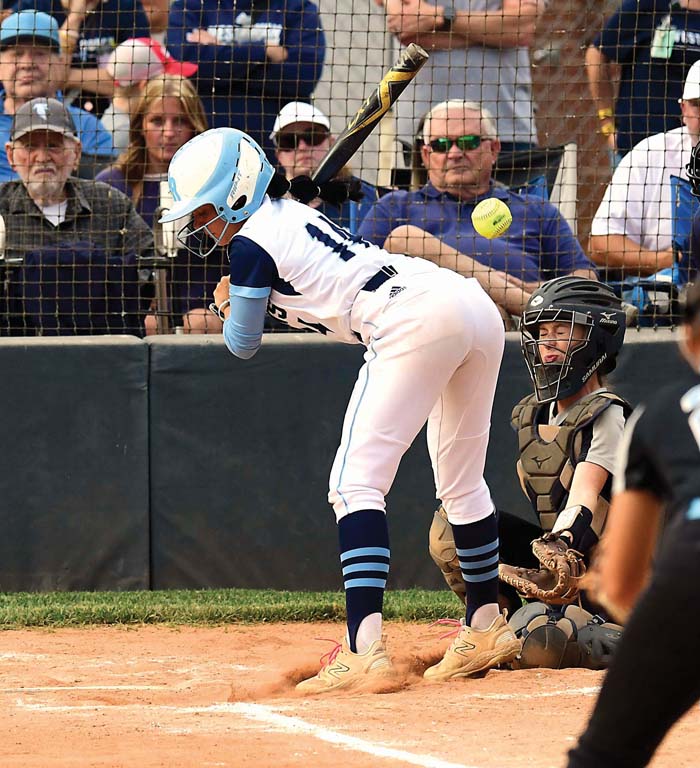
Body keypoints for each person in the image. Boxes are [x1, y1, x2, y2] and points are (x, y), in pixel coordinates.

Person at [159, 126, 522, 692]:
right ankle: (485, 624)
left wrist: (228, 300)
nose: (200, 225)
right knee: (462, 481)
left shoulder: (253, 242)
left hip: (409, 317)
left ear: (237, 193)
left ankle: (362, 647)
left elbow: (242, 342)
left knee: (355, 485)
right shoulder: (288, 214)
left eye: (205, 211)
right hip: (468, 306)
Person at [429, 276, 630, 670]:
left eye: (562, 330)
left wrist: (561, 544)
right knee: (450, 529)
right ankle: (493, 626)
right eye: (542, 332)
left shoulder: (607, 412)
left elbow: (587, 493)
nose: (548, 342)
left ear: (597, 338)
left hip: (613, 575)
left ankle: (613, 631)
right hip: (559, 559)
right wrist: (548, 555)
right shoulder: (531, 414)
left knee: (547, 645)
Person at [565, 279, 700, 767]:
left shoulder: (660, 415)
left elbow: (622, 585)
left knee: (602, 757)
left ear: (689, 339)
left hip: (692, 582)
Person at [358, 100, 596, 319]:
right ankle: (535, 308)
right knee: (406, 238)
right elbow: (356, 275)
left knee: (492, 312)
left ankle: (531, 306)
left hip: (520, 331)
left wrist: (544, 290)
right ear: (426, 155)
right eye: (441, 145)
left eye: (468, 143)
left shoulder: (535, 209)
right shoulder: (395, 206)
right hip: (422, 318)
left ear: (493, 149)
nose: (454, 154)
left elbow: (587, 280)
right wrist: (499, 287)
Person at [0, 97, 154, 335]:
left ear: (77, 153)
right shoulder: (1, 206)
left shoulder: (111, 205)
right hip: (16, 349)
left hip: (102, 344)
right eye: (30, 146)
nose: (42, 157)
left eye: (54, 145)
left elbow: (148, 267)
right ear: (10, 155)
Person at [96, 75, 218, 334]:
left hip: (205, 302)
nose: (169, 132)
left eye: (181, 121)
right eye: (157, 121)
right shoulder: (112, 184)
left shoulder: (218, 183)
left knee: (201, 323)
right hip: (137, 304)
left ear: (195, 126)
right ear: (141, 125)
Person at [166, 0, 325, 160]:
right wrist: (264, 51)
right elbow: (186, 66)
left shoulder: (299, 8)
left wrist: (219, 58)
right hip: (206, 148)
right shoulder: (190, 6)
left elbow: (302, 77)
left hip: (276, 151)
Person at [379, 0, 542, 154]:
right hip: (421, 136)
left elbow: (521, 27)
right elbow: (406, 26)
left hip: (504, 130)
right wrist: (488, 31)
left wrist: (441, 17)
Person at [589, 58, 700, 279]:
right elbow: (600, 244)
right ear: (683, 108)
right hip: (667, 295)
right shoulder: (651, 153)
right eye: (699, 104)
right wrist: (667, 261)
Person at [0, 9, 115, 181]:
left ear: (61, 62)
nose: (27, 64)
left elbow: (105, 196)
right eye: (16, 54)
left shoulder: (89, 128)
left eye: (39, 54)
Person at [586, 0, 700, 162]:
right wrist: (607, 124)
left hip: (692, 148)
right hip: (638, 150)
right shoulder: (649, 5)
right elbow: (596, 54)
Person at [9, 0, 152, 118]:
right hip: (48, 115)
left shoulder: (126, 8)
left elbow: (136, 83)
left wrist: (68, 76)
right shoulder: (33, 7)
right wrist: (75, 17)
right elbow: (49, 75)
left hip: (113, 114)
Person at [270, 101, 378, 234]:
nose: (302, 147)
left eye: (313, 137)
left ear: (332, 143)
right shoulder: (264, 207)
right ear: (278, 155)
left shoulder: (367, 198)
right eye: (288, 141)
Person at [102, 37, 198, 155]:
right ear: (146, 86)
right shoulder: (123, 133)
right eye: (165, 79)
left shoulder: (116, 122)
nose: (172, 83)